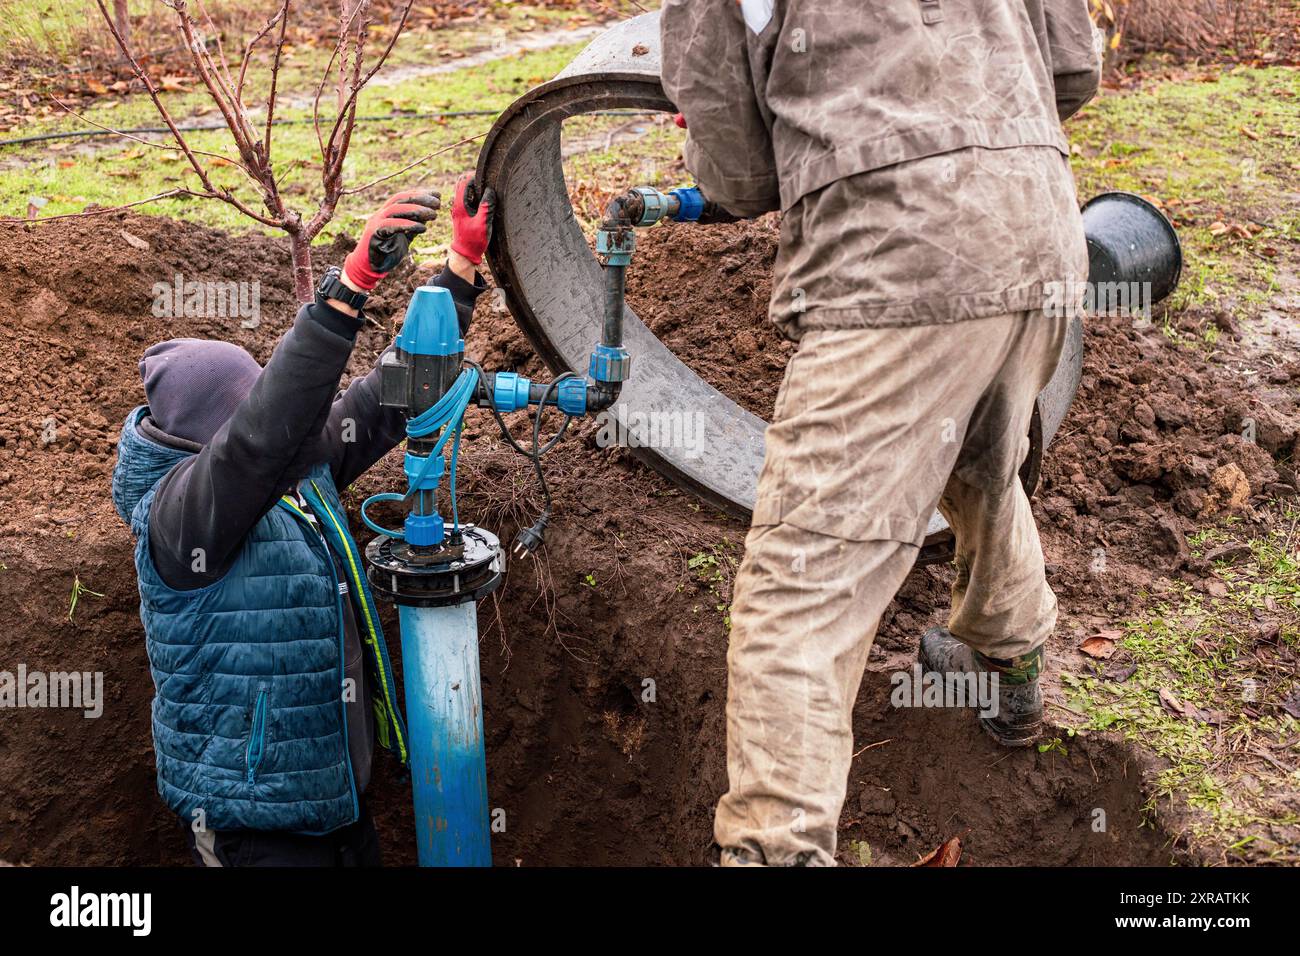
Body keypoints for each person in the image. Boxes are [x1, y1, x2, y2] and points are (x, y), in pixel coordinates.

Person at [660, 0, 1103, 865]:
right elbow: (1074, 71)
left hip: (894, 261)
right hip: (1038, 228)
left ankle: (771, 850)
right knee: (980, 458)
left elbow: (740, 175)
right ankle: (1010, 666)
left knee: (801, 584)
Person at [111, 175, 494, 867]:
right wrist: (348, 288)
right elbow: (259, 444)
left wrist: (459, 271)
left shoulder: (296, 472)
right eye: (246, 405)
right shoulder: (181, 520)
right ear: (210, 436)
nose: (272, 420)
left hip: (339, 810)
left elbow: (392, 395)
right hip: (258, 835)